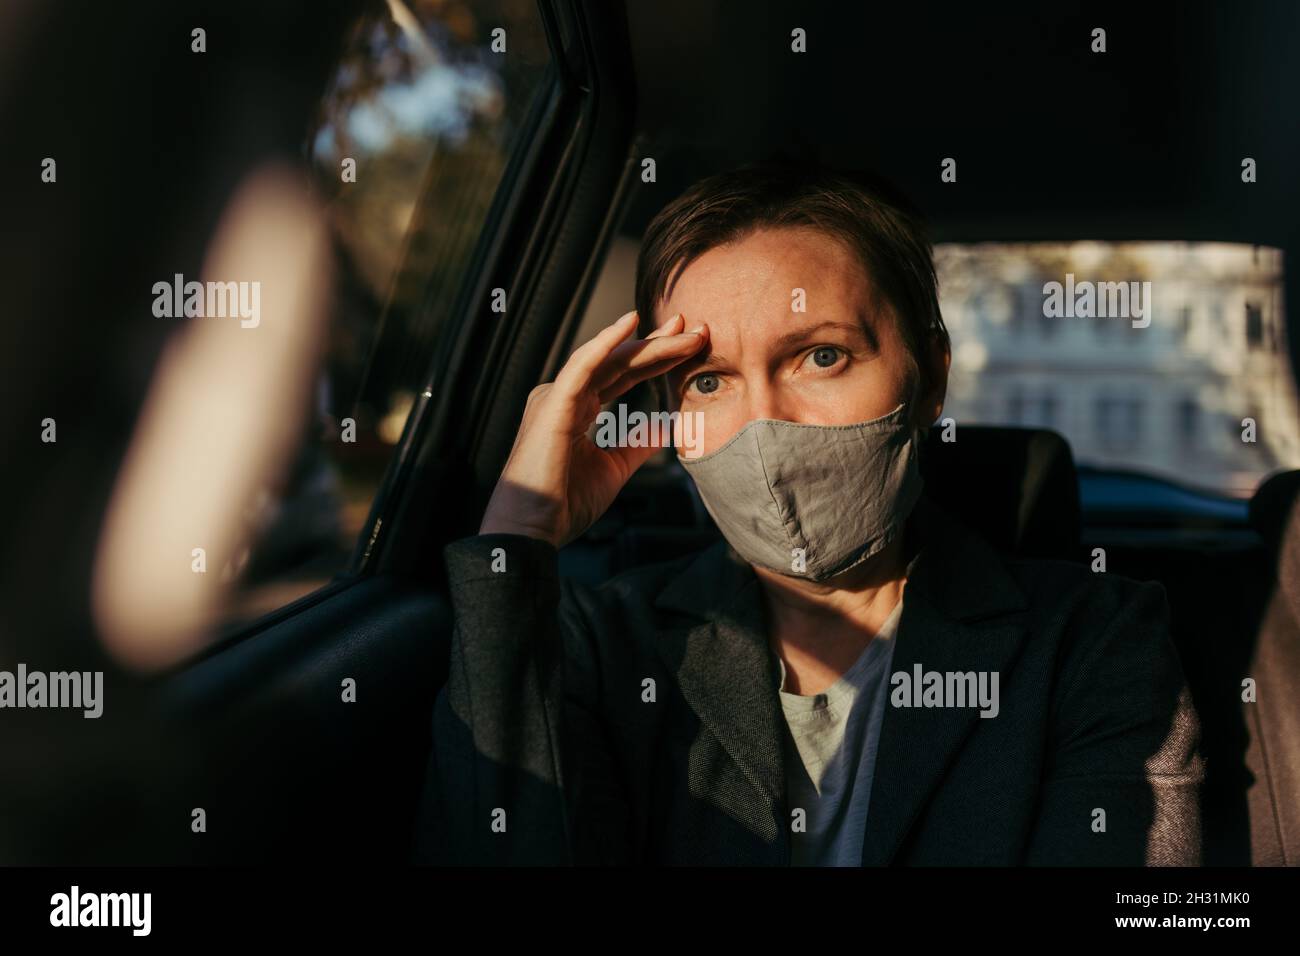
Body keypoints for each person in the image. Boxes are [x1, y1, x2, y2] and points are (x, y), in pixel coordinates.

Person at [413, 161, 1205, 866]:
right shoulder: (596, 646)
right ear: (665, 419)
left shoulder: (1093, 640)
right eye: (708, 379)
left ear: (930, 377)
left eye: (821, 356)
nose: (765, 426)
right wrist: (517, 536)